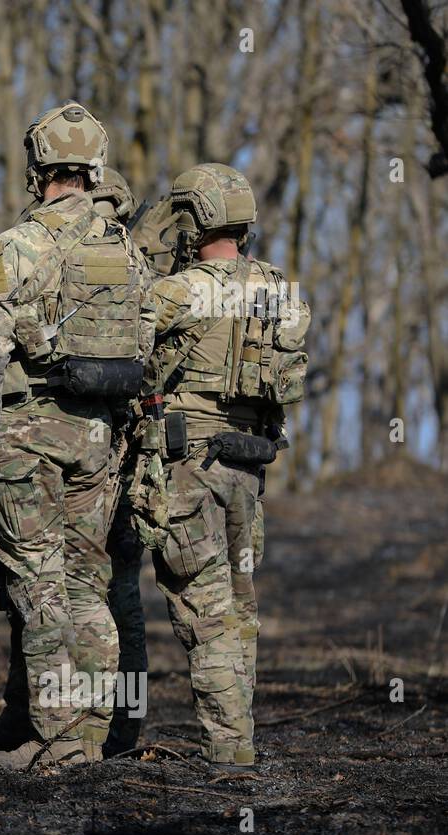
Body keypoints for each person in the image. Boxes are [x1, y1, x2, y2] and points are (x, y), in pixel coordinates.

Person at [0, 103, 153, 769]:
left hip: (25, 438)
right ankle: (90, 734)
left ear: (38, 167)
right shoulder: (125, 250)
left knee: (37, 589)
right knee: (85, 587)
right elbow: (146, 341)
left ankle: (59, 741)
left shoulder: (17, 245)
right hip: (98, 438)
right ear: (94, 167)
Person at [129, 162, 309, 769]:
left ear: (193, 219)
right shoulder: (279, 290)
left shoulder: (178, 290)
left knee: (203, 609)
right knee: (240, 604)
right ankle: (241, 739)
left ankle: (230, 750)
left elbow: (123, 344)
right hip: (248, 461)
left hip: (189, 459)